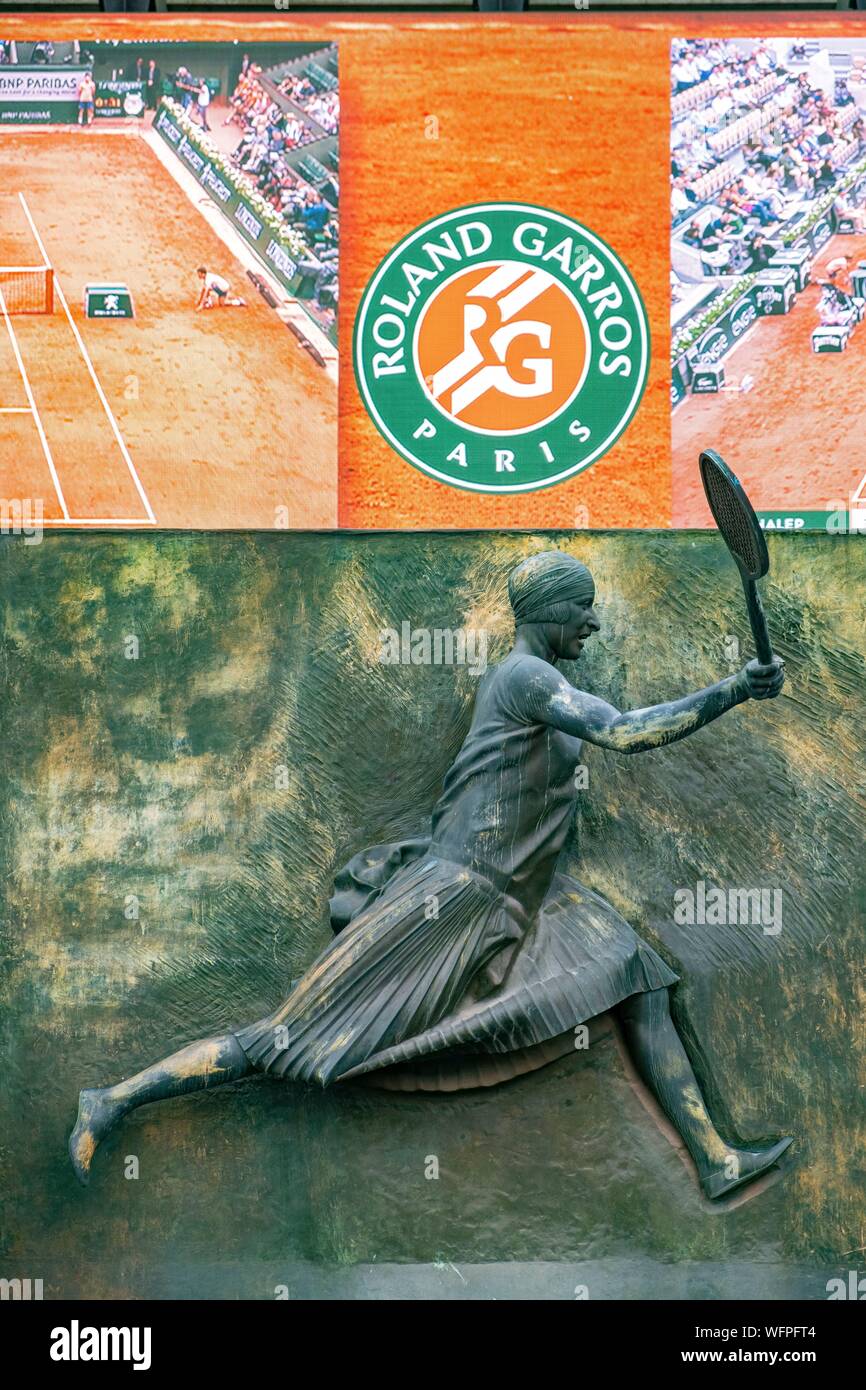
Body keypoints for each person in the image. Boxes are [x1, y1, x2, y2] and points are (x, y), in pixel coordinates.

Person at [68, 551, 794, 1202]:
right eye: (583, 610)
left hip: (529, 902)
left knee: (645, 981)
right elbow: (624, 731)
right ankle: (116, 1098)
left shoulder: (537, 682)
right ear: (549, 615)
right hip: (454, 903)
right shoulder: (526, 677)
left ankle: (715, 1159)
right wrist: (732, 690)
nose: (594, 623)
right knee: (286, 1041)